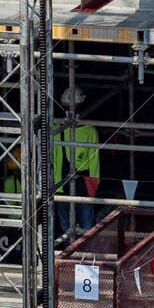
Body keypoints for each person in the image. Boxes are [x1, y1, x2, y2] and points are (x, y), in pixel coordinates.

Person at [53, 89, 100, 235]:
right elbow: (51, 160)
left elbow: (94, 162)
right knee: (67, 228)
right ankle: (72, 254)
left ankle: (84, 255)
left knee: (86, 228)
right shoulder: (56, 131)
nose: (70, 111)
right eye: (68, 107)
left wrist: (93, 186)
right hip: (60, 186)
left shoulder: (89, 131)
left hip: (82, 186)